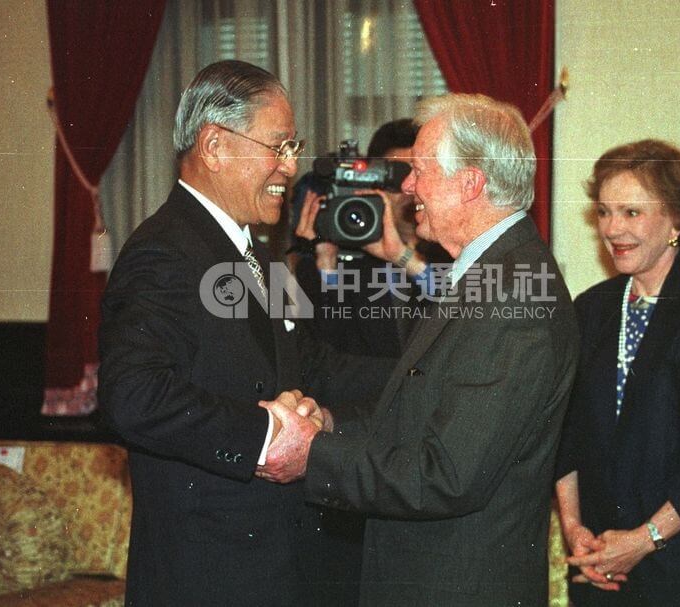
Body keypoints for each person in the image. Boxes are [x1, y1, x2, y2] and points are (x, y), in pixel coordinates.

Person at [257, 93, 581, 605]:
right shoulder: (487, 272)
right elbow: (421, 407)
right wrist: (334, 424)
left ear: (470, 182)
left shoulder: (514, 293)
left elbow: (448, 475)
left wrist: (313, 454)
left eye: (422, 171)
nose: (407, 188)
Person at [98, 60, 378, 606]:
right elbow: (132, 395)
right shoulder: (163, 249)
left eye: (292, 148)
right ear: (215, 145)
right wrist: (266, 436)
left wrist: (428, 371)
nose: (289, 167)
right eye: (278, 147)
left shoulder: (257, 253)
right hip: (208, 576)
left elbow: (312, 361)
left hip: (273, 567)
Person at [554, 139, 680, 606]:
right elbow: (566, 432)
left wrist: (645, 539)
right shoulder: (591, 309)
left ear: (676, 219)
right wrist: (575, 531)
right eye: (604, 212)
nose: (612, 229)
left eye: (631, 213)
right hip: (601, 573)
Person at [293, 119, 450, 358]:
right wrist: (327, 266)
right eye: (397, 179)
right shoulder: (337, 261)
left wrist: (403, 258)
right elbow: (326, 356)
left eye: (418, 175)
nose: (409, 189)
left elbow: (466, 317)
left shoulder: (450, 249)